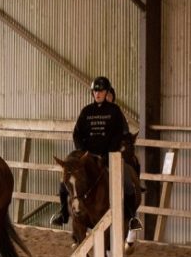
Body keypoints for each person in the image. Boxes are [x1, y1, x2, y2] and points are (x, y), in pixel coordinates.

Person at [52, 76, 142, 229]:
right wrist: (82, 151)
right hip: (87, 157)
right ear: (92, 93)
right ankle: (63, 213)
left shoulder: (114, 111)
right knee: (65, 180)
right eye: (95, 91)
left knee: (127, 182)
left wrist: (109, 153)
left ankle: (131, 217)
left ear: (106, 92)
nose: (98, 94)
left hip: (109, 156)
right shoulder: (86, 111)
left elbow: (117, 134)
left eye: (101, 91)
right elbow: (77, 133)